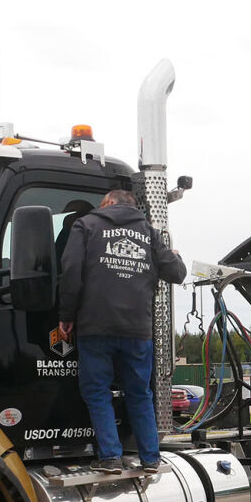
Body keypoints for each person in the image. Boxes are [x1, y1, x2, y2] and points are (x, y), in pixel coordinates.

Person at [58, 188, 187, 473]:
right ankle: (151, 459)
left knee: (97, 391)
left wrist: (66, 315)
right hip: (137, 330)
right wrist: (174, 256)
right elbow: (176, 274)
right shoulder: (149, 233)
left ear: (107, 203)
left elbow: (70, 271)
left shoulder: (87, 225)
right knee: (139, 394)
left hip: (96, 327)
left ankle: (110, 458)